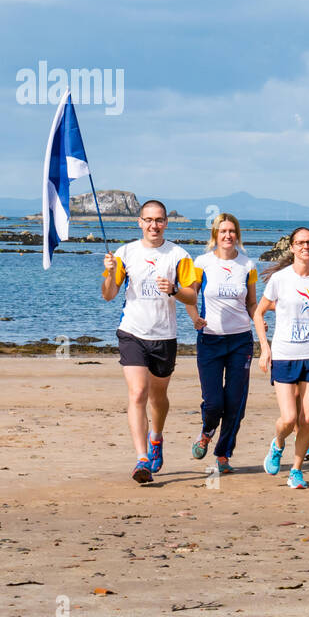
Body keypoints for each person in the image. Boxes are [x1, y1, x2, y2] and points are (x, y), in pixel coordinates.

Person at [100, 199, 197, 483]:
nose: (154, 225)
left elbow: (192, 295)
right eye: (148, 220)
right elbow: (108, 294)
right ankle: (142, 459)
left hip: (164, 336)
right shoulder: (125, 252)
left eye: (159, 220)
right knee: (138, 393)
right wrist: (108, 271)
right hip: (132, 332)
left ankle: (156, 436)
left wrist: (175, 290)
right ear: (139, 222)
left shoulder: (179, 255)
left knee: (158, 397)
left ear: (166, 223)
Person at [253, 227, 309, 489]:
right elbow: (258, 314)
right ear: (291, 247)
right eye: (300, 243)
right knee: (289, 418)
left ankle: (296, 470)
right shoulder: (280, 279)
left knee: (308, 416)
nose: (306, 247)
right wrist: (265, 349)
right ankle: (278, 444)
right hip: (284, 355)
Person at [186, 213, 257, 474]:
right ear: (215, 235)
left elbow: (251, 302)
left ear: (237, 234)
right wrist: (195, 318)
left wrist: (258, 320)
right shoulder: (202, 262)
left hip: (241, 341)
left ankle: (223, 454)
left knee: (236, 403)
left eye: (232, 231)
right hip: (210, 340)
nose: (228, 235)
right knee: (215, 402)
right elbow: (190, 296)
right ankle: (206, 431)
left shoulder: (248, 264)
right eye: (223, 231)